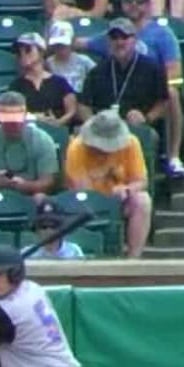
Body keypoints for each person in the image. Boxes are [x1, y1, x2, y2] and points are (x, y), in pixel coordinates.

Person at [81, 0, 184, 179]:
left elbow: (175, 71)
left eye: (140, 0)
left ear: (148, 4)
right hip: (115, 103)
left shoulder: (162, 34)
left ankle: (173, 157)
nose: (134, 5)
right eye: (129, 0)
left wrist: (148, 113)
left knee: (170, 92)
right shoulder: (109, 40)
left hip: (151, 94)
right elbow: (80, 43)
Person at [64, 109, 153, 259]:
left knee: (143, 201)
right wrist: (105, 175)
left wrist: (127, 189)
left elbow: (142, 181)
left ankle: (133, 260)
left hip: (121, 201)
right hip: (86, 204)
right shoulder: (77, 148)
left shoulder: (131, 143)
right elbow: (82, 190)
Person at [0, 92, 61, 202]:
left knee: (41, 198)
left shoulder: (42, 139)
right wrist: (3, 182)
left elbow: (47, 182)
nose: (12, 123)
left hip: (30, 193)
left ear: (25, 115)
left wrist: (24, 185)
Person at [8, 33, 78, 127]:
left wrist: (58, 123)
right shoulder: (16, 86)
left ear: (41, 52)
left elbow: (72, 110)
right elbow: (11, 113)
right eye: (19, 52)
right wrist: (34, 118)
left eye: (28, 49)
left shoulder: (59, 82)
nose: (23, 54)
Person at [45, 20, 96, 93]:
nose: (60, 49)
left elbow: (98, 75)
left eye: (63, 46)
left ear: (72, 42)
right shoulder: (49, 63)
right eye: (57, 46)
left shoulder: (84, 60)